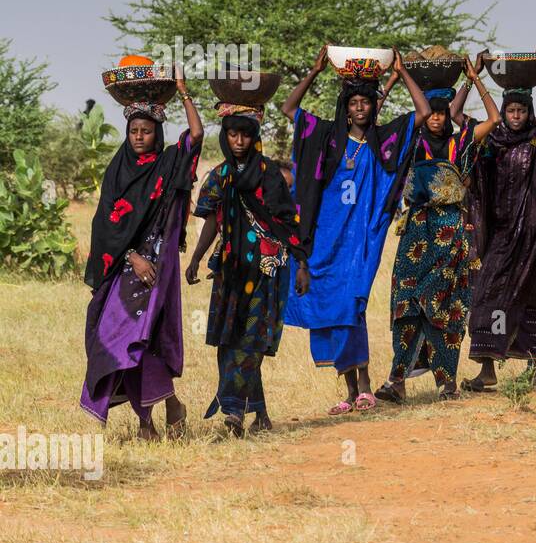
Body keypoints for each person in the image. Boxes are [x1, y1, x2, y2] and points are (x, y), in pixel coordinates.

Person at [281, 44, 430, 415]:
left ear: (374, 106)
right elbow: (289, 109)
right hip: (324, 238)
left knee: (353, 306)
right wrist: (314, 72)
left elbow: (424, 112)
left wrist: (401, 70)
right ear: (346, 107)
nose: (361, 108)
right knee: (330, 310)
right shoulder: (326, 138)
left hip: (359, 240)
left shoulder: (385, 142)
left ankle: (365, 384)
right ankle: (350, 391)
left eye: (366, 102)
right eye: (354, 103)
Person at [81, 61, 203, 440]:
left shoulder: (168, 162)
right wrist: (132, 255)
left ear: (157, 132)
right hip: (127, 266)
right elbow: (105, 223)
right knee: (119, 337)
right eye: (133, 130)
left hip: (160, 264)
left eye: (146, 131)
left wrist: (182, 90)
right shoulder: (116, 170)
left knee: (147, 336)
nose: (138, 137)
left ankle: (148, 421)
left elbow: (196, 135)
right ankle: (166, 407)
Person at [375, 55, 500, 403]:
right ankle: (396, 381)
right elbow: (376, 124)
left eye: (441, 113)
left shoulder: (460, 144)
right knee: (406, 305)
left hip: (450, 230)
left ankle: (448, 385)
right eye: (430, 112)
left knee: (445, 307)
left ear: (448, 116)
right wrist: (396, 76)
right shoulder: (412, 144)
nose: (435, 117)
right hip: (416, 228)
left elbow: (495, 118)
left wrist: (475, 78)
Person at [186, 102, 310, 436]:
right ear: (225, 137)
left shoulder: (270, 174)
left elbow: (288, 221)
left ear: (254, 138)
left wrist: (302, 265)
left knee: (250, 340)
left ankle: (233, 412)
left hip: (267, 270)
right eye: (232, 134)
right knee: (230, 340)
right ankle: (260, 413)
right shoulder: (220, 176)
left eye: (245, 134)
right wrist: (197, 256)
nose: (239, 140)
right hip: (231, 269)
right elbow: (211, 220)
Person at [462, 65, 536, 392]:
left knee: (530, 299)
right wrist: (475, 77)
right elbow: (456, 117)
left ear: (530, 111)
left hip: (532, 234)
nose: (516, 115)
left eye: (522, 110)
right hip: (499, 233)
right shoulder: (493, 139)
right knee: (486, 296)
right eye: (511, 109)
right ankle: (488, 369)